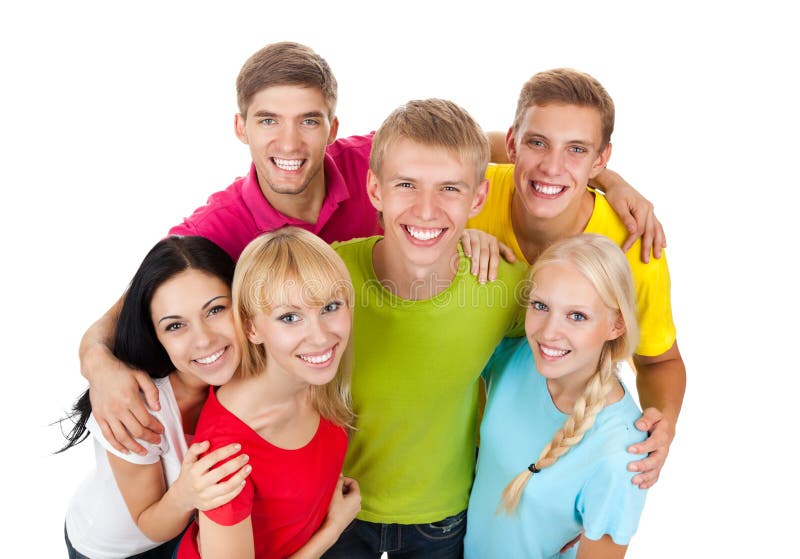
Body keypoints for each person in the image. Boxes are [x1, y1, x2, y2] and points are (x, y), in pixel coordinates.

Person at [78, 42, 662, 457]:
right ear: (241, 127)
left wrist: (607, 182)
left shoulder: (371, 158)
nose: (289, 142)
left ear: (333, 127)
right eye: (268, 121)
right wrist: (96, 360)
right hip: (304, 428)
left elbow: (487, 147)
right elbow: (145, 297)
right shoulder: (222, 224)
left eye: (309, 120)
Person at [323, 99, 528, 558]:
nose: (426, 209)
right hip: (334, 512)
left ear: (478, 198)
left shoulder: (503, 285)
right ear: (375, 190)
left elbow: (575, 348)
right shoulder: (327, 275)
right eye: (406, 185)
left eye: (449, 189)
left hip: (443, 518)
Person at [468, 68, 686, 487]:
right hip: (462, 450)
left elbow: (660, 361)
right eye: (537, 143)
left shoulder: (634, 248)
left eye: (576, 150)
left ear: (600, 159)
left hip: (559, 461)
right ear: (512, 143)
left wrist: (664, 425)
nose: (551, 167)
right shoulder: (468, 196)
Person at [175, 227, 361, 559]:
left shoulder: (312, 379)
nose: (319, 337)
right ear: (251, 327)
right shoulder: (227, 454)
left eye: (331, 306)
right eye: (290, 317)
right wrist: (333, 530)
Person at [60, 236, 251, 558]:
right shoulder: (136, 406)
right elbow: (149, 523)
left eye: (216, 309)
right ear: (156, 336)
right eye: (175, 326)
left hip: (192, 530)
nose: (203, 340)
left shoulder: (248, 379)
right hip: (116, 548)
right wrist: (187, 493)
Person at [465, 234, 649, 559]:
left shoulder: (622, 451)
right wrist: (466, 241)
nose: (549, 332)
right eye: (540, 306)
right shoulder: (514, 356)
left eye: (577, 316)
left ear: (616, 325)